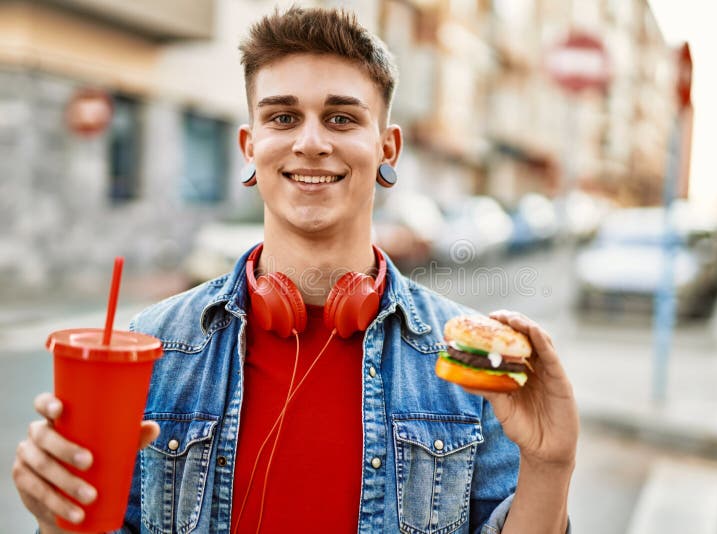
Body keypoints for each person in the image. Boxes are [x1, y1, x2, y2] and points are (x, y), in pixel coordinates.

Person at [12, 7, 578, 533]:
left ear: (388, 148)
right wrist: (61, 516)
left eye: (340, 118)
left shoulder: (465, 367)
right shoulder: (153, 348)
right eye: (283, 117)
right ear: (249, 146)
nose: (311, 143)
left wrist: (550, 466)